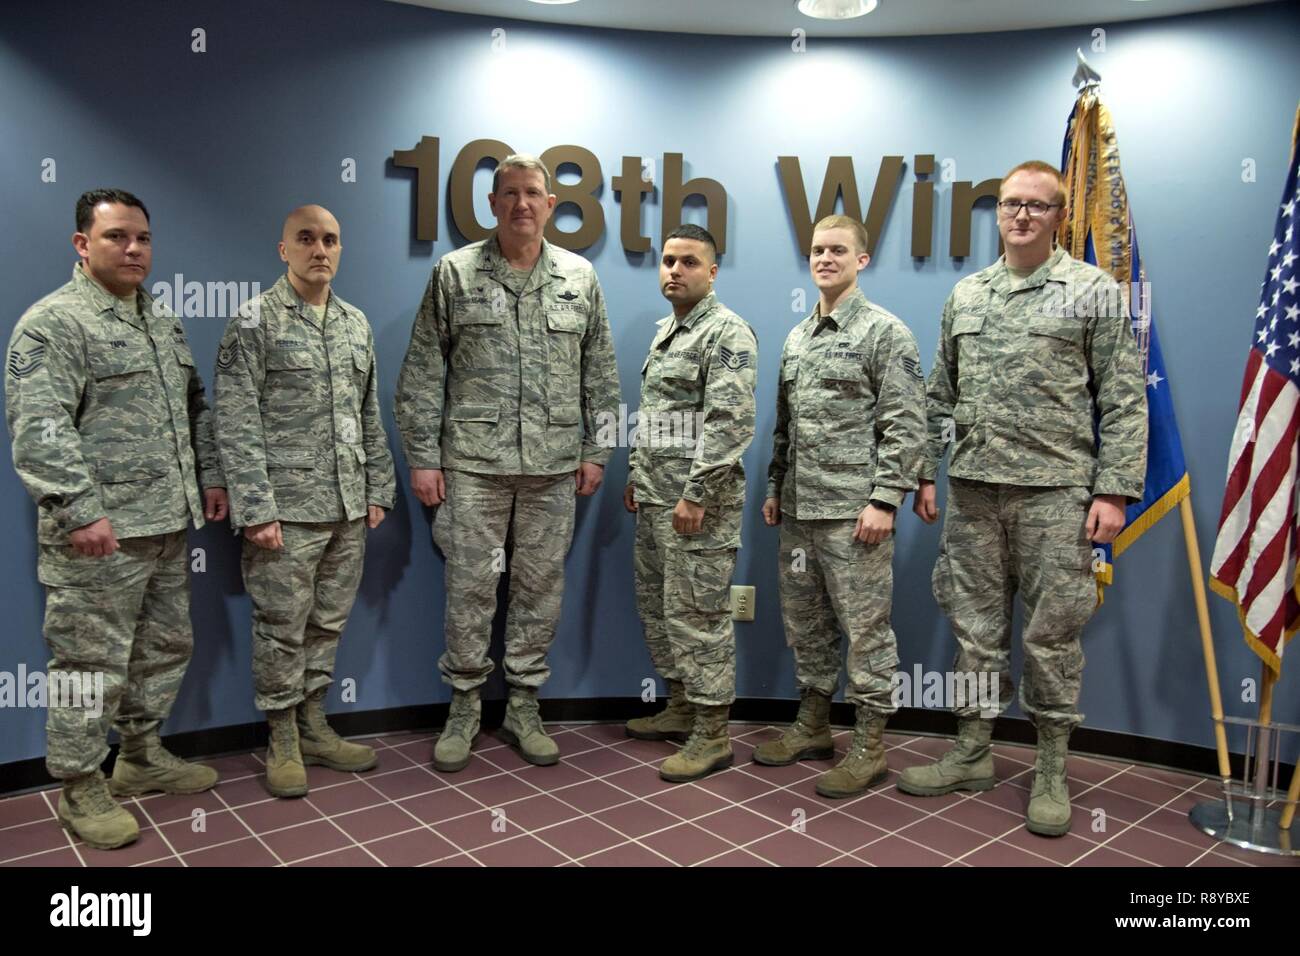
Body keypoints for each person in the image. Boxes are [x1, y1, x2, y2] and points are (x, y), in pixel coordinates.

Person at [899, 161, 1147, 837]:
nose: (1022, 216)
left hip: (1057, 494)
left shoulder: (1091, 290)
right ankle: (973, 752)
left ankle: (1051, 769)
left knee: (1051, 637)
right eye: (1011, 204)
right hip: (974, 493)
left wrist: (1115, 490)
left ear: (1059, 215)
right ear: (999, 212)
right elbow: (937, 396)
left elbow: (1123, 398)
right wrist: (923, 471)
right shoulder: (968, 294)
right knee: (974, 633)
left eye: (1037, 206)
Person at [5, 189, 227, 849]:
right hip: (98, 537)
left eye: (142, 239)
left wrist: (209, 476)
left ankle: (138, 756)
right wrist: (80, 510)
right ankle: (79, 787)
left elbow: (194, 406)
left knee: (163, 650)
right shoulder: (54, 323)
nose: (133, 250)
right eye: (116, 237)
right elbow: (39, 429)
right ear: (82, 244)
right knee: (87, 666)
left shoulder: (157, 318)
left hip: (164, 525)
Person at [395, 155, 620, 772]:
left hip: (553, 468)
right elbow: (421, 374)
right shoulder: (455, 274)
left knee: (539, 588)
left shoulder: (579, 277)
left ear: (551, 204)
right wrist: (423, 458)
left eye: (534, 194)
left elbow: (600, 375)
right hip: (472, 466)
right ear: (492, 205)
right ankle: (464, 706)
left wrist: (597, 452)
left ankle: (524, 704)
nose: (523, 204)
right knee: (469, 589)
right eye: (510, 194)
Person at [213, 205, 394, 798]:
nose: (321, 249)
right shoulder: (254, 321)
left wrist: (377, 488)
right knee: (281, 627)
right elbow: (236, 423)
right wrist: (257, 508)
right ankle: (283, 735)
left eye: (331, 240)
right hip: (286, 510)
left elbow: (369, 413)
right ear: (283, 249)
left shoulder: (354, 323)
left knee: (327, 624)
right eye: (307, 239)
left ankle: (315, 722)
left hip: (346, 505)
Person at [754, 215, 926, 798]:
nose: (825, 258)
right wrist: (776, 486)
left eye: (837, 250)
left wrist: (885, 500)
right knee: (808, 625)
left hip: (856, 517)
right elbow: (786, 425)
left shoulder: (886, 333)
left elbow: (906, 425)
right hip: (801, 510)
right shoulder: (798, 337)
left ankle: (871, 745)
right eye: (817, 250)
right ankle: (813, 725)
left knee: (866, 630)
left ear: (862, 259)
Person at [623, 224, 758, 783]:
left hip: (696, 508)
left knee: (699, 618)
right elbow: (656, 416)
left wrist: (696, 493)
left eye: (689, 262)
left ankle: (712, 735)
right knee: (660, 609)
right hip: (657, 498)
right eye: (668, 260)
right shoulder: (666, 333)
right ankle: (679, 704)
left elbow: (730, 422)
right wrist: (636, 473)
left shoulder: (726, 333)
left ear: (712, 272)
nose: (674, 270)